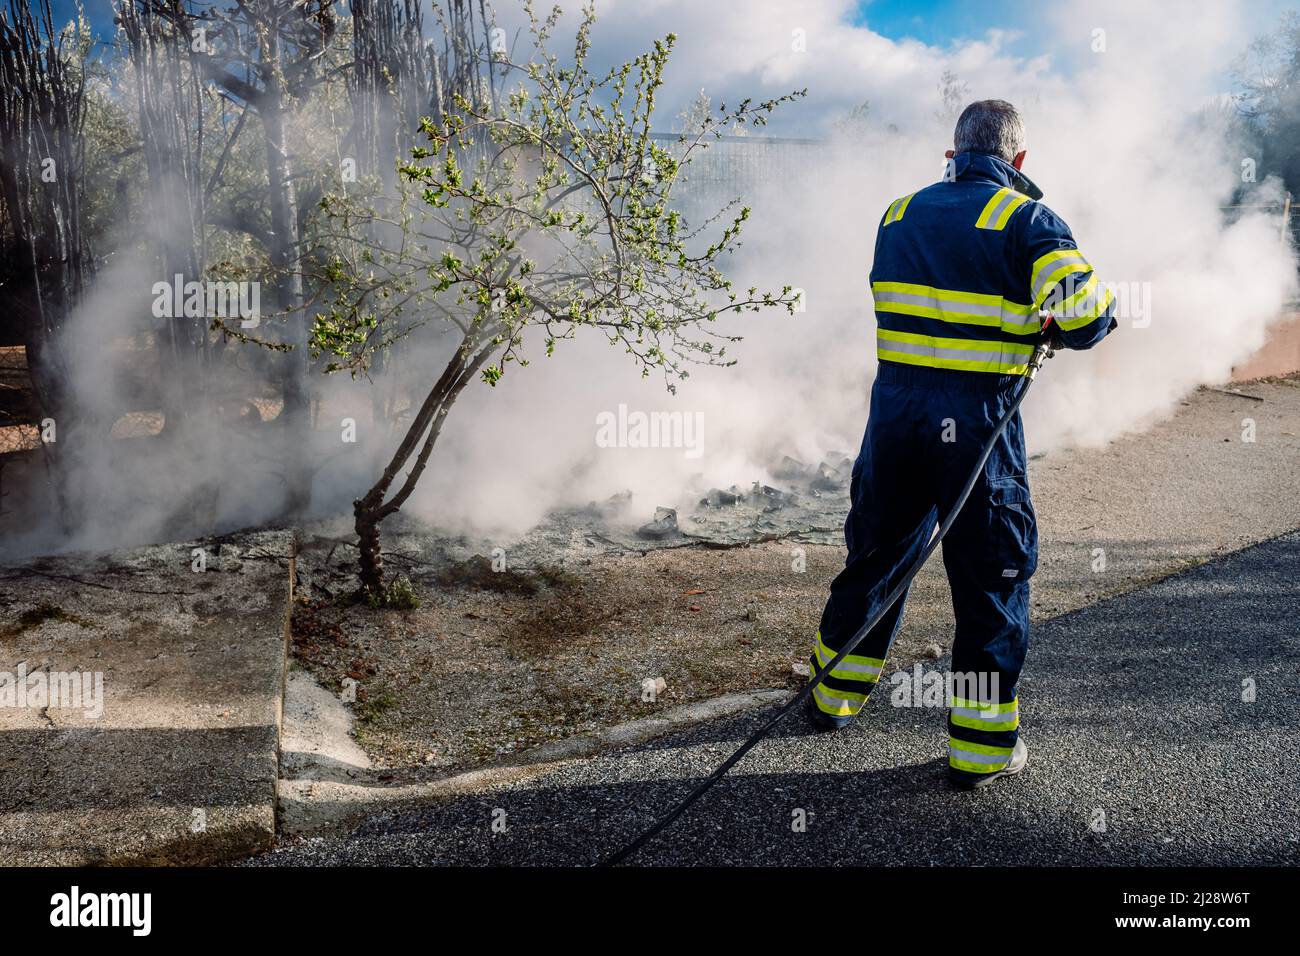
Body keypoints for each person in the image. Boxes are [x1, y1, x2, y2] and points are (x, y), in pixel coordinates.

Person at [807, 99, 1117, 789]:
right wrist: (1048, 324)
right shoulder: (1027, 219)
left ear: (953, 151)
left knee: (875, 559)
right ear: (1020, 160)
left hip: (894, 423)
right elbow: (1090, 315)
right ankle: (979, 753)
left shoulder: (897, 213)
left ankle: (831, 699)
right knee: (991, 579)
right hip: (976, 429)